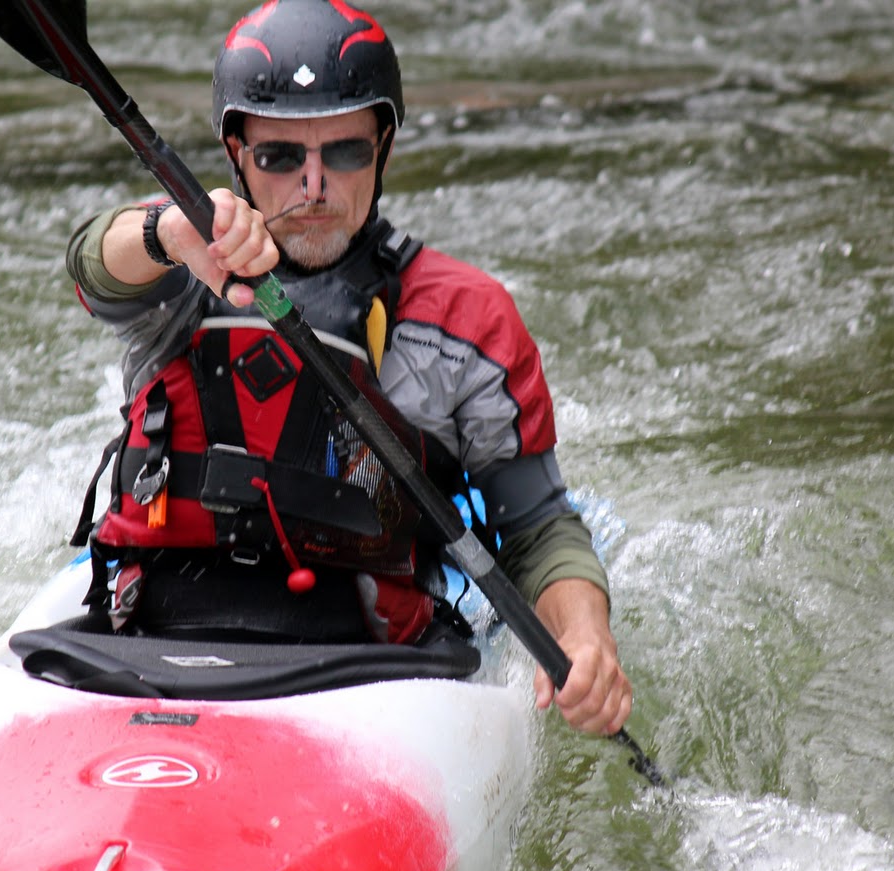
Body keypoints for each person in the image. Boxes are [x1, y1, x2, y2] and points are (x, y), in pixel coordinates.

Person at [63, 0, 630, 736]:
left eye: (345, 152)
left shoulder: (465, 318)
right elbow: (91, 266)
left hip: (371, 671)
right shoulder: (178, 271)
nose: (314, 185)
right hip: (147, 647)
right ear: (237, 153)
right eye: (280, 157)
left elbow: (538, 527)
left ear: (384, 147)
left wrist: (587, 642)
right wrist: (169, 229)